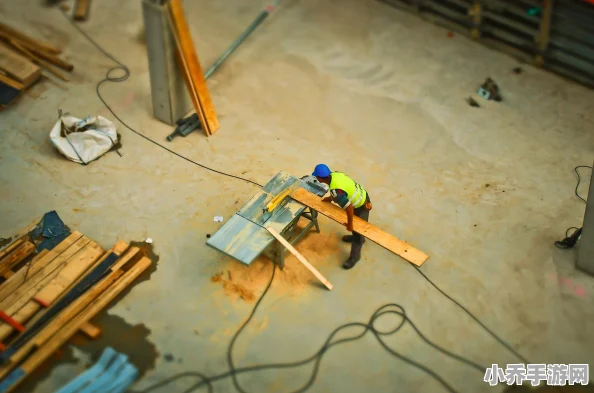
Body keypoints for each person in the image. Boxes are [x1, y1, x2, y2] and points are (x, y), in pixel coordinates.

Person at [312, 164, 372, 269]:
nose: (315, 178)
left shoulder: (336, 193)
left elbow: (349, 208)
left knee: (358, 231)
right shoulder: (335, 174)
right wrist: (331, 198)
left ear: (321, 178)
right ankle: (357, 237)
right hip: (363, 195)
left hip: (361, 205)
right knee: (356, 231)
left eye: (316, 176)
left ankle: (355, 256)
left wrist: (350, 224)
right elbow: (342, 188)